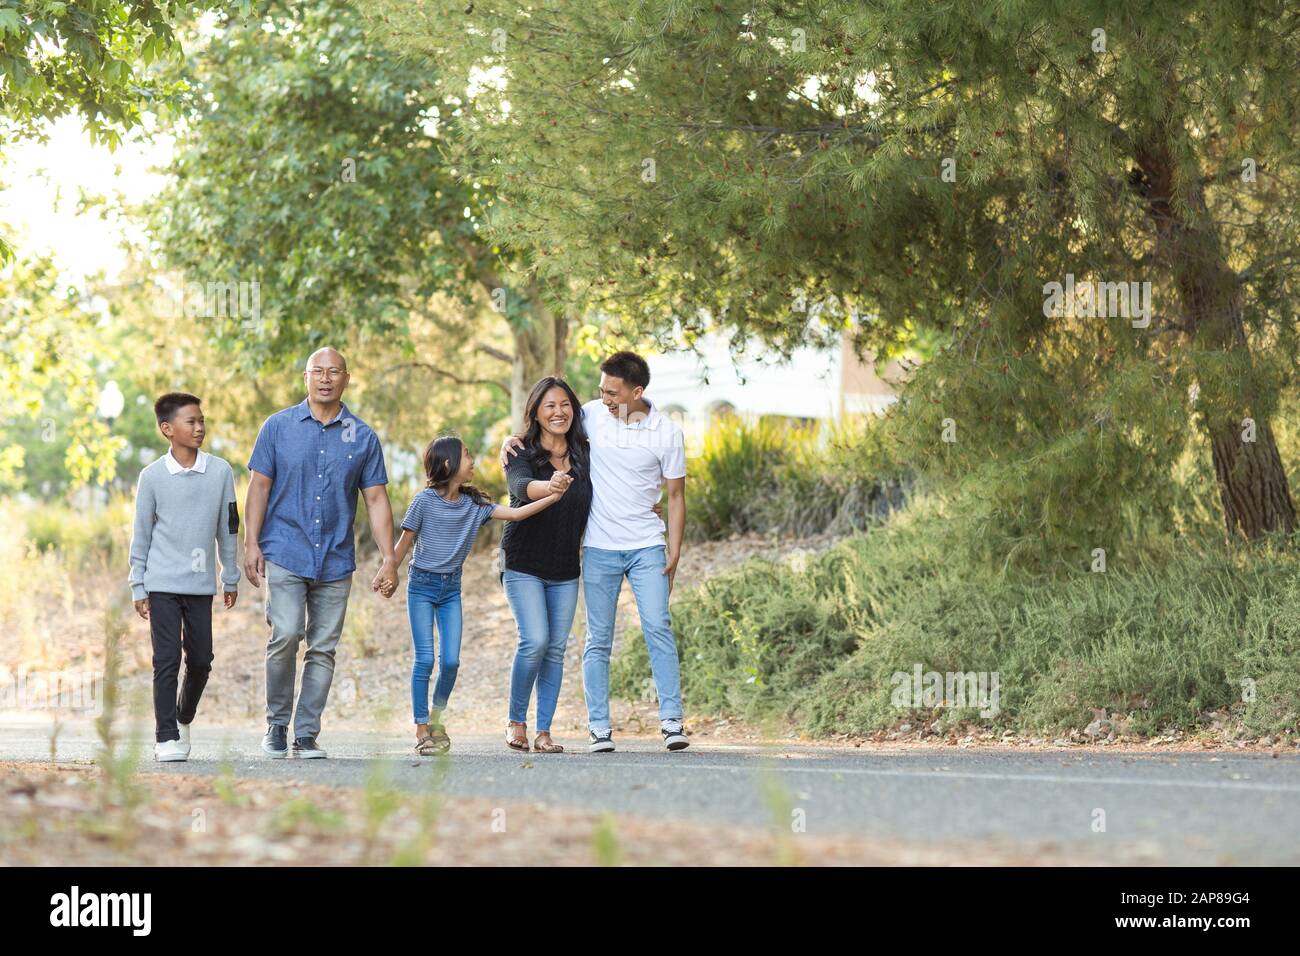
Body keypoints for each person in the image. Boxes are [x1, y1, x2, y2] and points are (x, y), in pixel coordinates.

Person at [502, 351, 689, 753]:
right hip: (600, 548)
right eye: (600, 390)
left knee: (658, 626)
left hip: (647, 546)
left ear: (637, 392)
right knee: (597, 640)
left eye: (612, 392)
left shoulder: (667, 433)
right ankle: (599, 728)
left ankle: (672, 721)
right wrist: (510, 439)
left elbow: (675, 496)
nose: (602, 397)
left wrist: (674, 551)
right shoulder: (588, 414)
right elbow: (545, 421)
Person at [244, 347, 397, 760]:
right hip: (284, 549)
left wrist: (389, 557)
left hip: (335, 557)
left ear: (347, 378)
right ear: (305, 378)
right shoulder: (277, 427)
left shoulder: (362, 437)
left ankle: (306, 733)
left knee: (323, 648)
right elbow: (258, 487)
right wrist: (251, 542)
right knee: (287, 634)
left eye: (334, 372)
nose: (325, 378)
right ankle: (276, 724)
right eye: (318, 372)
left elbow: (377, 498)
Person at [383, 435, 568, 755]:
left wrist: (553, 497)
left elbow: (516, 514)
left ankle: (437, 719)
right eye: (467, 455)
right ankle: (422, 728)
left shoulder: (475, 504)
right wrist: (389, 571)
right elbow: (403, 544)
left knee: (451, 661)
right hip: (422, 587)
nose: (472, 461)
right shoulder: (423, 502)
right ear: (448, 464)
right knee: (425, 659)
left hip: (450, 589)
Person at [128, 392, 240, 762]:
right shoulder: (153, 477)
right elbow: (141, 533)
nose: (199, 427)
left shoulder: (221, 471)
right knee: (166, 659)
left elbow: (228, 527)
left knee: (202, 659)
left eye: (201, 421)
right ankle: (165, 737)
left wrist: (230, 576)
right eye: (190, 422)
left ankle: (183, 715)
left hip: (199, 585)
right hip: (160, 584)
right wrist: (138, 584)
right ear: (167, 429)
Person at [499, 377, 594, 753]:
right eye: (550, 406)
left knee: (555, 648)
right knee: (534, 639)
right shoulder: (521, 451)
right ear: (536, 412)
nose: (559, 412)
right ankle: (516, 721)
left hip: (566, 566)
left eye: (565, 404)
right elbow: (521, 487)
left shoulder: (586, 451)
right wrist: (550, 486)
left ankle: (544, 731)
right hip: (523, 560)